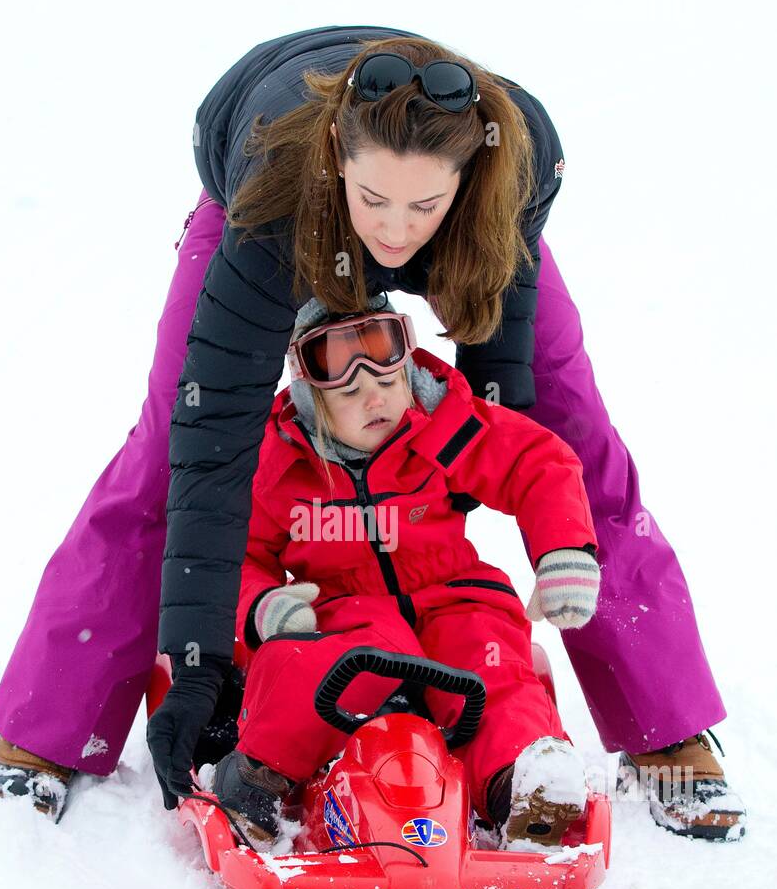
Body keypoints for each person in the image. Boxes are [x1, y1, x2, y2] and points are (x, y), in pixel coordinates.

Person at [0, 24, 742, 840]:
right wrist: (199, 664)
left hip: (466, 212)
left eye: (420, 209)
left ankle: (668, 728)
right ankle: (50, 730)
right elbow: (214, 441)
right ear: (342, 153)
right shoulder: (275, 198)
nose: (395, 235)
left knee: (575, 434)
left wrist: (458, 545)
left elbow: (506, 416)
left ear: (467, 181)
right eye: (374, 203)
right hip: (283, 208)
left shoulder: (507, 181)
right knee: (170, 446)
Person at [205, 298, 601, 851]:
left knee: (489, 664)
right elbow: (238, 553)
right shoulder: (283, 465)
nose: (377, 400)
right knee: (320, 665)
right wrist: (266, 604)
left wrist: (564, 550)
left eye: (390, 383)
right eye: (349, 393)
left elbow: (535, 463)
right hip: (345, 608)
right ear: (312, 401)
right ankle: (259, 774)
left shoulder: (443, 425)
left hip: (452, 593)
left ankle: (525, 785)